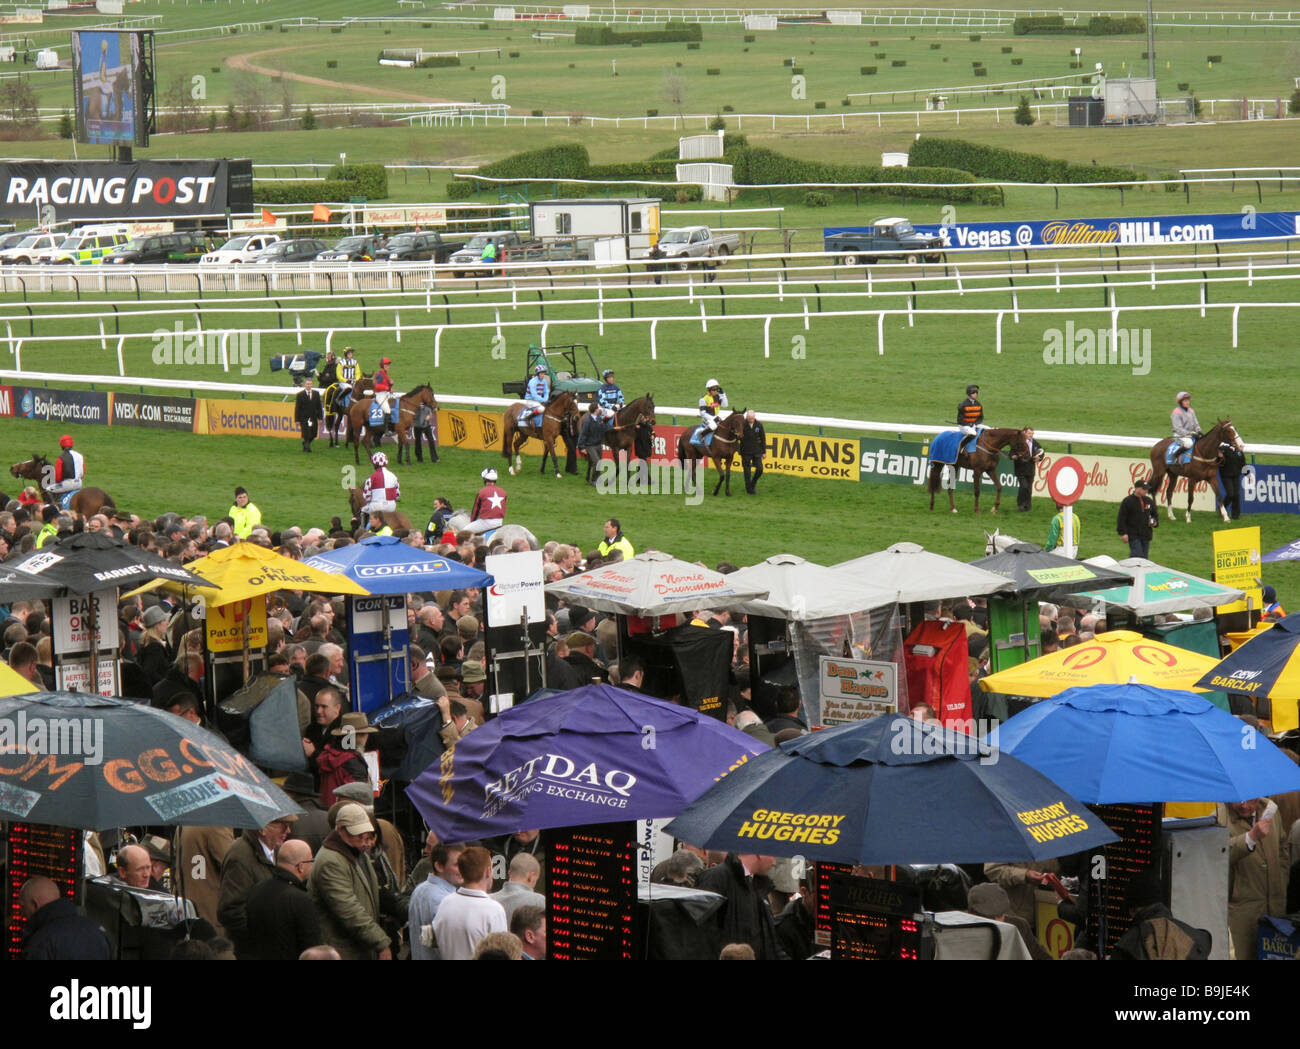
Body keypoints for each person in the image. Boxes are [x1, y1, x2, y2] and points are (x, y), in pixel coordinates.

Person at [1217, 797, 1290, 960]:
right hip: (1241, 911)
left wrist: (1281, 881)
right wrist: (1250, 837)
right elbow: (1217, 856)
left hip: (1275, 909)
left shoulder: (1272, 811)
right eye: (1238, 800)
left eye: (1250, 800)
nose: (1244, 806)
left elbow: (1283, 848)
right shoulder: (1218, 817)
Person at [218, 815, 298, 958]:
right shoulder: (240, 856)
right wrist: (259, 943)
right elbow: (231, 911)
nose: (289, 831)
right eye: (283, 825)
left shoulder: (272, 852)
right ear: (263, 828)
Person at [695, 853, 786, 960]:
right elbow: (702, 935)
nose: (774, 862)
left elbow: (769, 941)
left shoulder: (759, 885)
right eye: (772, 855)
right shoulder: (716, 878)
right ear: (760, 854)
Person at [243, 839, 322, 961]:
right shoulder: (300, 900)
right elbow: (312, 947)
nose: (312, 865)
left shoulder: (257, 889)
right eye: (311, 861)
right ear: (300, 867)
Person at [432, 846, 507, 961]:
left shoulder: (446, 903)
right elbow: (501, 954)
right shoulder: (494, 910)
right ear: (488, 872)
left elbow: (433, 941)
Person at [19, 876, 111, 961]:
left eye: (23, 906)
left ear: (35, 904)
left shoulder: (41, 941)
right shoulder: (97, 930)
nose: (22, 913)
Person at [408, 842, 465, 961]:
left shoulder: (419, 890)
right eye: (456, 865)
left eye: (463, 864)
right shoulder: (444, 900)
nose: (462, 869)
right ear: (439, 866)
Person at [490, 853, 546, 925]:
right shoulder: (539, 901)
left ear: (509, 873)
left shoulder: (488, 899)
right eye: (536, 880)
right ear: (530, 876)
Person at [1117, 478, 1158, 559]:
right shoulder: (1127, 501)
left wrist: (1154, 522)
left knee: (1144, 559)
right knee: (1137, 556)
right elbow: (1121, 518)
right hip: (1133, 535)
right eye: (1144, 489)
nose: (1146, 491)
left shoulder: (1149, 501)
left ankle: (1128, 569)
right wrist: (1123, 533)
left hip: (1146, 535)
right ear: (1137, 489)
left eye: (1147, 489)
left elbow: (1154, 514)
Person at [46, 434, 85, 507]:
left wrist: (59, 482)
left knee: (48, 489)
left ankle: (56, 506)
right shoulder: (80, 456)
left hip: (68, 484)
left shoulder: (61, 458)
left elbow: (58, 477)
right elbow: (83, 472)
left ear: (61, 445)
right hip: (79, 483)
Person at [467, 467, 507, 534]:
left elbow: (475, 511)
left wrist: (472, 522)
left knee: (463, 532)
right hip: (499, 522)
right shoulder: (503, 492)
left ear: (485, 480)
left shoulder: (482, 492)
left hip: (486, 522)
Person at [1014, 426, 1044, 512]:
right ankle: (1020, 505)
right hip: (1020, 468)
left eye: (1032, 434)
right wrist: (1013, 456)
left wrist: (1039, 457)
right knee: (1024, 486)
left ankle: (1027, 506)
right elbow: (1011, 453)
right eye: (1029, 433)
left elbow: (1041, 452)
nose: (1031, 435)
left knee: (1029, 488)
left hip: (1030, 469)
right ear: (1024, 433)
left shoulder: (1035, 443)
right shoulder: (1019, 443)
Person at [361, 451, 400, 516]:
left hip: (376, 507)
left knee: (363, 510)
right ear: (386, 463)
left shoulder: (371, 478)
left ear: (374, 464)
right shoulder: (394, 477)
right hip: (391, 507)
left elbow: (366, 497)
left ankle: (366, 526)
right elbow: (397, 495)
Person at [1218, 436, 1247, 521]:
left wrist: (1248, 474)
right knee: (1230, 494)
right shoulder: (1223, 448)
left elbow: (1243, 463)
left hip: (1236, 474)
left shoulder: (1238, 451)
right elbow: (1219, 461)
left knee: (1236, 495)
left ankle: (1235, 516)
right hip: (1226, 475)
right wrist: (1220, 456)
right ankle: (1222, 508)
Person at [739, 409, 766, 495]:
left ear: (754, 417)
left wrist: (764, 452)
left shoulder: (759, 425)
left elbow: (763, 438)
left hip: (757, 451)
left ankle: (753, 483)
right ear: (746, 417)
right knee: (747, 472)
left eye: (752, 418)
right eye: (749, 418)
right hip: (745, 451)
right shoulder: (742, 424)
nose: (751, 420)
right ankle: (749, 490)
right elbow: (738, 436)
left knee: (760, 469)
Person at [577, 402, 604, 485]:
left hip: (598, 444)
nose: (599, 409)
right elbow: (583, 434)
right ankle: (594, 480)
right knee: (596, 462)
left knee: (599, 463)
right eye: (598, 408)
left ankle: (597, 479)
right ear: (596, 410)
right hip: (590, 446)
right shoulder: (587, 421)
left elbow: (603, 429)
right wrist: (581, 447)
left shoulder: (599, 419)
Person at [295, 375, 323, 453]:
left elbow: (319, 407)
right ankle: (307, 448)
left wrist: (320, 418)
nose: (309, 385)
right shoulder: (300, 395)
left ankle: (305, 443)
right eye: (307, 384)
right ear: (305, 384)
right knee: (306, 433)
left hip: (313, 417)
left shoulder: (316, 394)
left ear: (312, 384)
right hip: (304, 418)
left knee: (313, 434)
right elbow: (297, 408)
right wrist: (297, 420)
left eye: (310, 384)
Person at [520, 363, 551, 430]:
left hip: (539, 400)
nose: (543, 375)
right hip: (530, 400)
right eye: (541, 374)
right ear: (538, 374)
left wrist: (545, 399)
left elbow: (546, 392)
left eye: (544, 373)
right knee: (541, 409)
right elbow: (534, 396)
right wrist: (544, 400)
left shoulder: (544, 381)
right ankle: (528, 418)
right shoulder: (532, 382)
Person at [1171, 390, 1201, 454]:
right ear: (1180, 402)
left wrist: (1199, 431)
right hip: (1180, 436)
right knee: (1189, 444)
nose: (1188, 402)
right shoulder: (1176, 412)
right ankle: (1176, 455)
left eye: (1188, 400)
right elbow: (1178, 429)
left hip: (1191, 434)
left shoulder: (1191, 411)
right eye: (1185, 401)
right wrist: (1191, 433)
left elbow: (1196, 424)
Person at [412, 396, 438, 463]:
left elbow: (433, 410)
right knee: (418, 442)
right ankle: (419, 458)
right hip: (417, 426)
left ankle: (434, 458)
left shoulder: (428, 402)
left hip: (426, 425)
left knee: (431, 441)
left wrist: (430, 416)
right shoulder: (415, 403)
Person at [372, 356, 395, 431]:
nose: (388, 367)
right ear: (382, 366)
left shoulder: (385, 374)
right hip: (380, 395)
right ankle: (386, 430)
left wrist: (391, 386)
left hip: (385, 394)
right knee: (387, 410)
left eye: (388, 365)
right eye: (386, 365)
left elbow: (387, 385)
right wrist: (387, 388)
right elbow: (377, 386)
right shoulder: (379, 374)